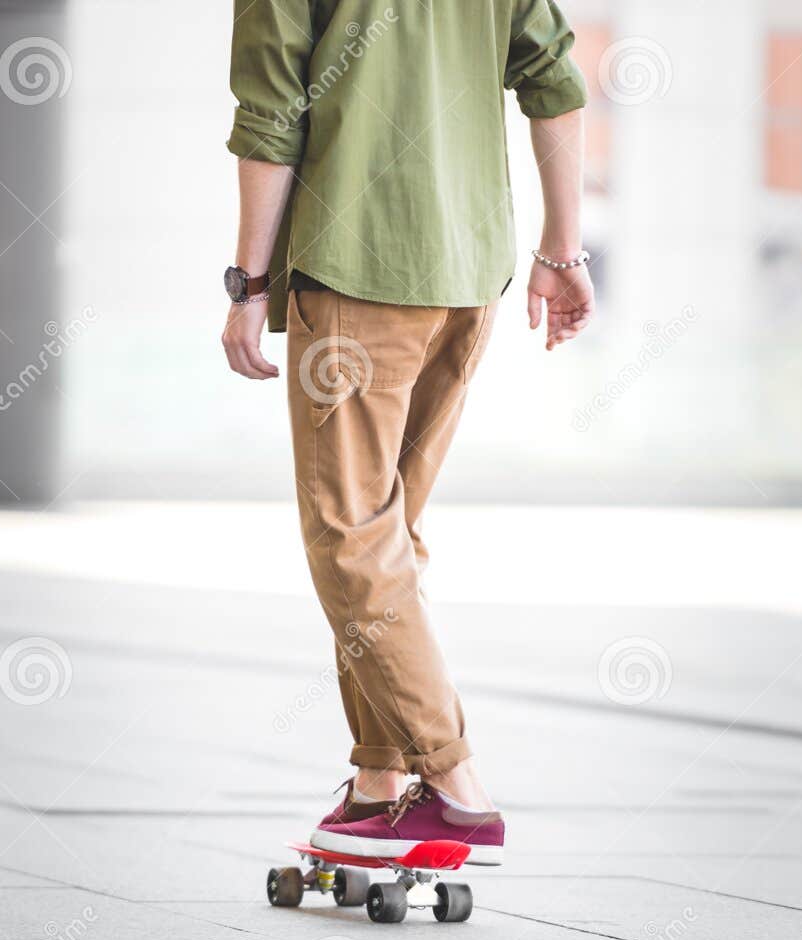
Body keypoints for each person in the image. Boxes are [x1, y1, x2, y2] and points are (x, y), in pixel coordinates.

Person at [223, 1, 593, 865]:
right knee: (387, 530)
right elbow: (554, 78)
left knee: (350, 533)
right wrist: (563, 249)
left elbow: (270, 112)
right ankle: (382, 778)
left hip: (359, 262)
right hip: (467, 272)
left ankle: (455, 786)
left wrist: (247, 284)